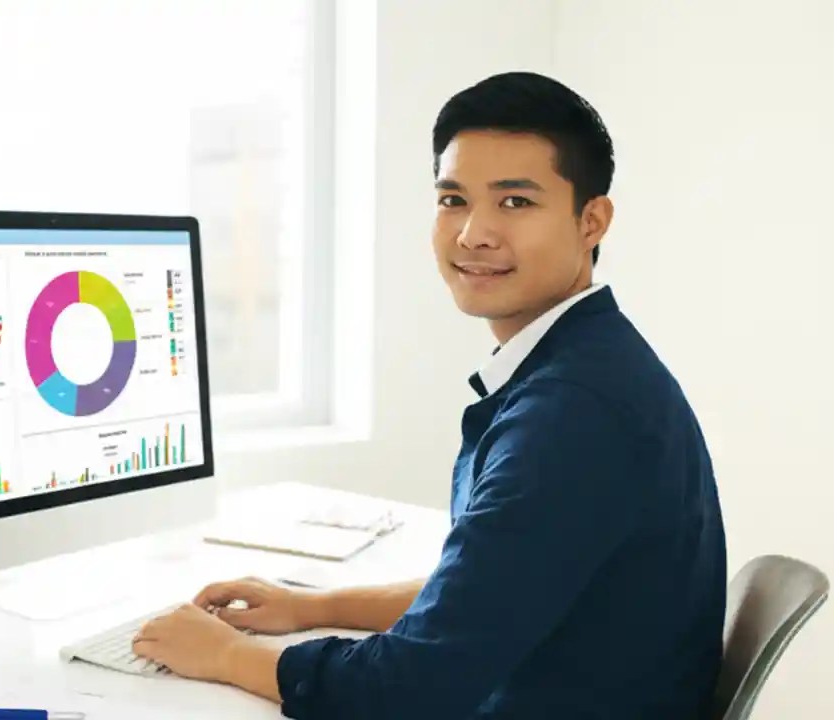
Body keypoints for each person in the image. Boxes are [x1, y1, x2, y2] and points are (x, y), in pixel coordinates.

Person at [132, 70, 727, 719]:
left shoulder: (574, 413)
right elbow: (487, 599)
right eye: (452, 200)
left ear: (592, 220)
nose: (474, 233)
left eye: (515, 202)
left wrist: (223, 655)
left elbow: (408, 690)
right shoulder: (589, 364)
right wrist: (312, 606)